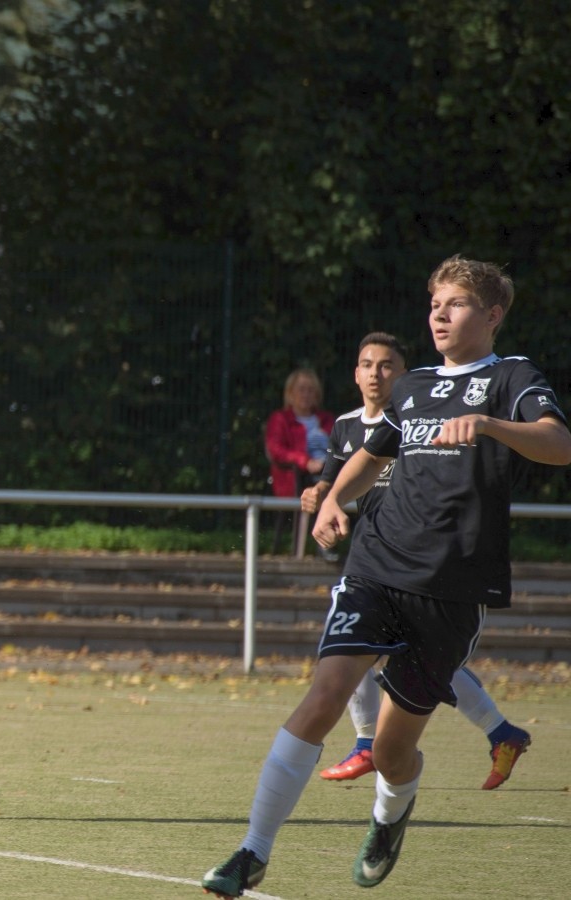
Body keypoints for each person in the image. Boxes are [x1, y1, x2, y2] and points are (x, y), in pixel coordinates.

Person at [201, 256, 571, 898]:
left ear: (492, 314)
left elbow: (558, 443)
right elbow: (375, 455)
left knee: (397, 751)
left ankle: (388, 816)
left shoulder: (511, 378)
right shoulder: (413, 385)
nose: (439, 314)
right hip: (377, 563)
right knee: (325, 695)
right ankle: (251, 852)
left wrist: (487, 425)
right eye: (434, 304)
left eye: (454, 304)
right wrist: (335, 501)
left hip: (453, 585)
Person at [300, 332, 533, 790]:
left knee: (392, 658)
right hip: (368, 551)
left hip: (412, 556)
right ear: (355, 372)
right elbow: (331, 483)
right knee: (368, 655)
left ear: (403, 374)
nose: (375, 373)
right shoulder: (346, 426)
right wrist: (320, 497)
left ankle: (371, 744)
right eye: (367, 364)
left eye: (386, 365)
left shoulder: (424, 411)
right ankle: (494, 732)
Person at [264, 368, 334, 555]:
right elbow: (276, 449)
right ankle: (323, 545)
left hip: (326, 471)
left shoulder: (327, 420)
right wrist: (305, 461)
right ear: (290, 393)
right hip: (294, 477)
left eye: (311, 390)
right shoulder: (280, 419)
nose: (306, 394)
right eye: (301, 389)